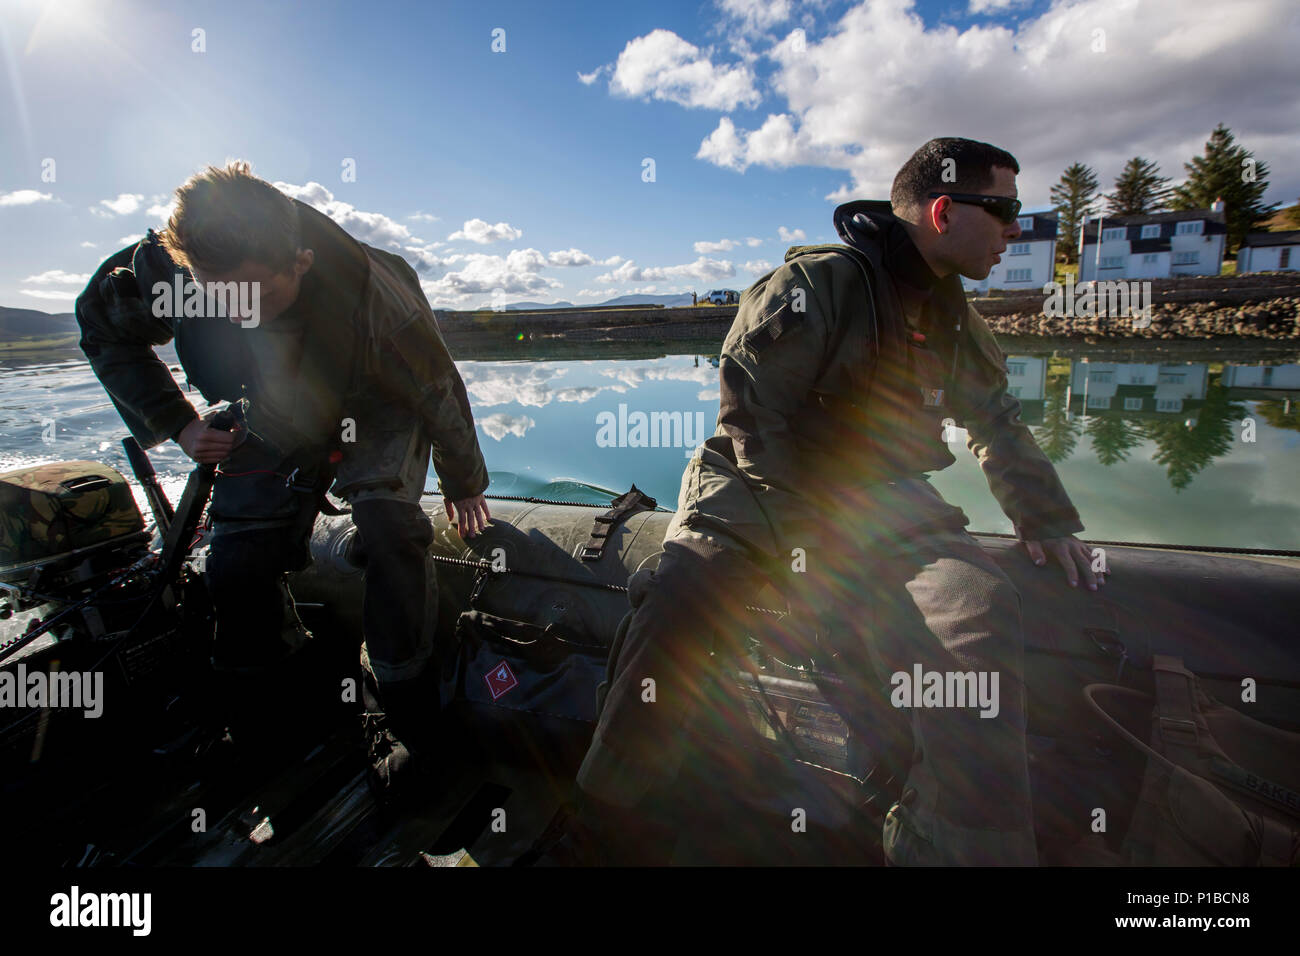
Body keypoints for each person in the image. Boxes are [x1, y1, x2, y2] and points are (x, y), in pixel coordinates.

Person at [548, 137, 1106, 865]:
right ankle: (606, 817)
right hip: (757, 482)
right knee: (680, 594)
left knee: (976, 612)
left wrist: (1046, 516)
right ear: (944, 210)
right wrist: (815, 551)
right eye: (1004, 210)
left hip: (882, 497)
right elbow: (752, 425)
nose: (1015, 231)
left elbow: (994, 417)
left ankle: (955, 847)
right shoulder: (817, 285)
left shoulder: (950, 314)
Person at [74, 161, 490, 801]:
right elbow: (101, 329)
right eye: (223, 298)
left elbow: (436, 389)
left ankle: (408, 713)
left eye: (259, 297)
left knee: (389, 530)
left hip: (371, 402)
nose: (243, 315)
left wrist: (463, 481)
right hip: (269, 402)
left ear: (299, 262)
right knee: (237, 565)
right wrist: (178, 424)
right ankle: (282, 707)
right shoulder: (163, 271)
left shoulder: (380, 296)